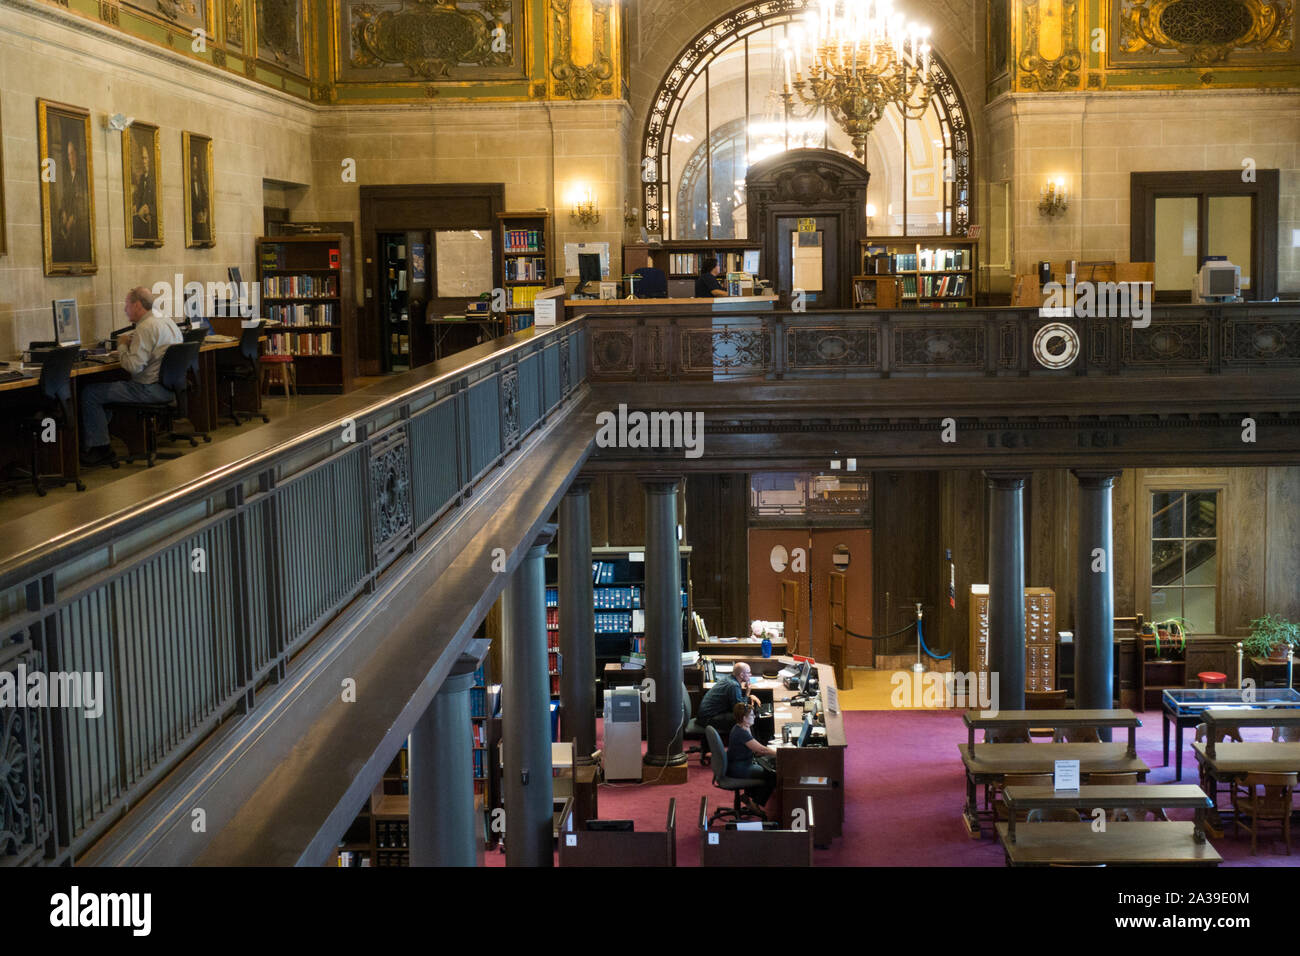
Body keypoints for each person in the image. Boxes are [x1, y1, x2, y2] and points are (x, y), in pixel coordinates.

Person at [79, 286, 182, 466]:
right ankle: (102, 440)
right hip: (169, 389)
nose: (125, 309)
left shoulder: (145, 327)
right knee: (106, 388)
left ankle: (100, 449)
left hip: (148, 389)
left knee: (90, 393)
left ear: (136, 305)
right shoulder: (167, 321)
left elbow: (133, 367)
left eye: (126, 305)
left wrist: (122, 346)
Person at [727, 701, 778, 810]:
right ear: (744, 718)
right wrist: (780, 753)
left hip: (741, 763)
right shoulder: (742, 733)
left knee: (768, 765)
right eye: (751, 715)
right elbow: (761, 749)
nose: (754, 716)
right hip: (740, 768)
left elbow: (756, 749)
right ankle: (756, 802)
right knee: (772, 774)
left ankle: (748, 795)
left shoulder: (741, 727)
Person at [698, 661, 760, 741]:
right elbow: (739, 709)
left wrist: (748, 697)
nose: (750, 675)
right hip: (708, 718)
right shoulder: (733, 685)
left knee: (749, 715)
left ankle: (753, 744)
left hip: (708, 714)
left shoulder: (729, 679)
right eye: (748, 673)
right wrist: (748, 693)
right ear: (741, 675)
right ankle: (752, 747)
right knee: (746, 718)